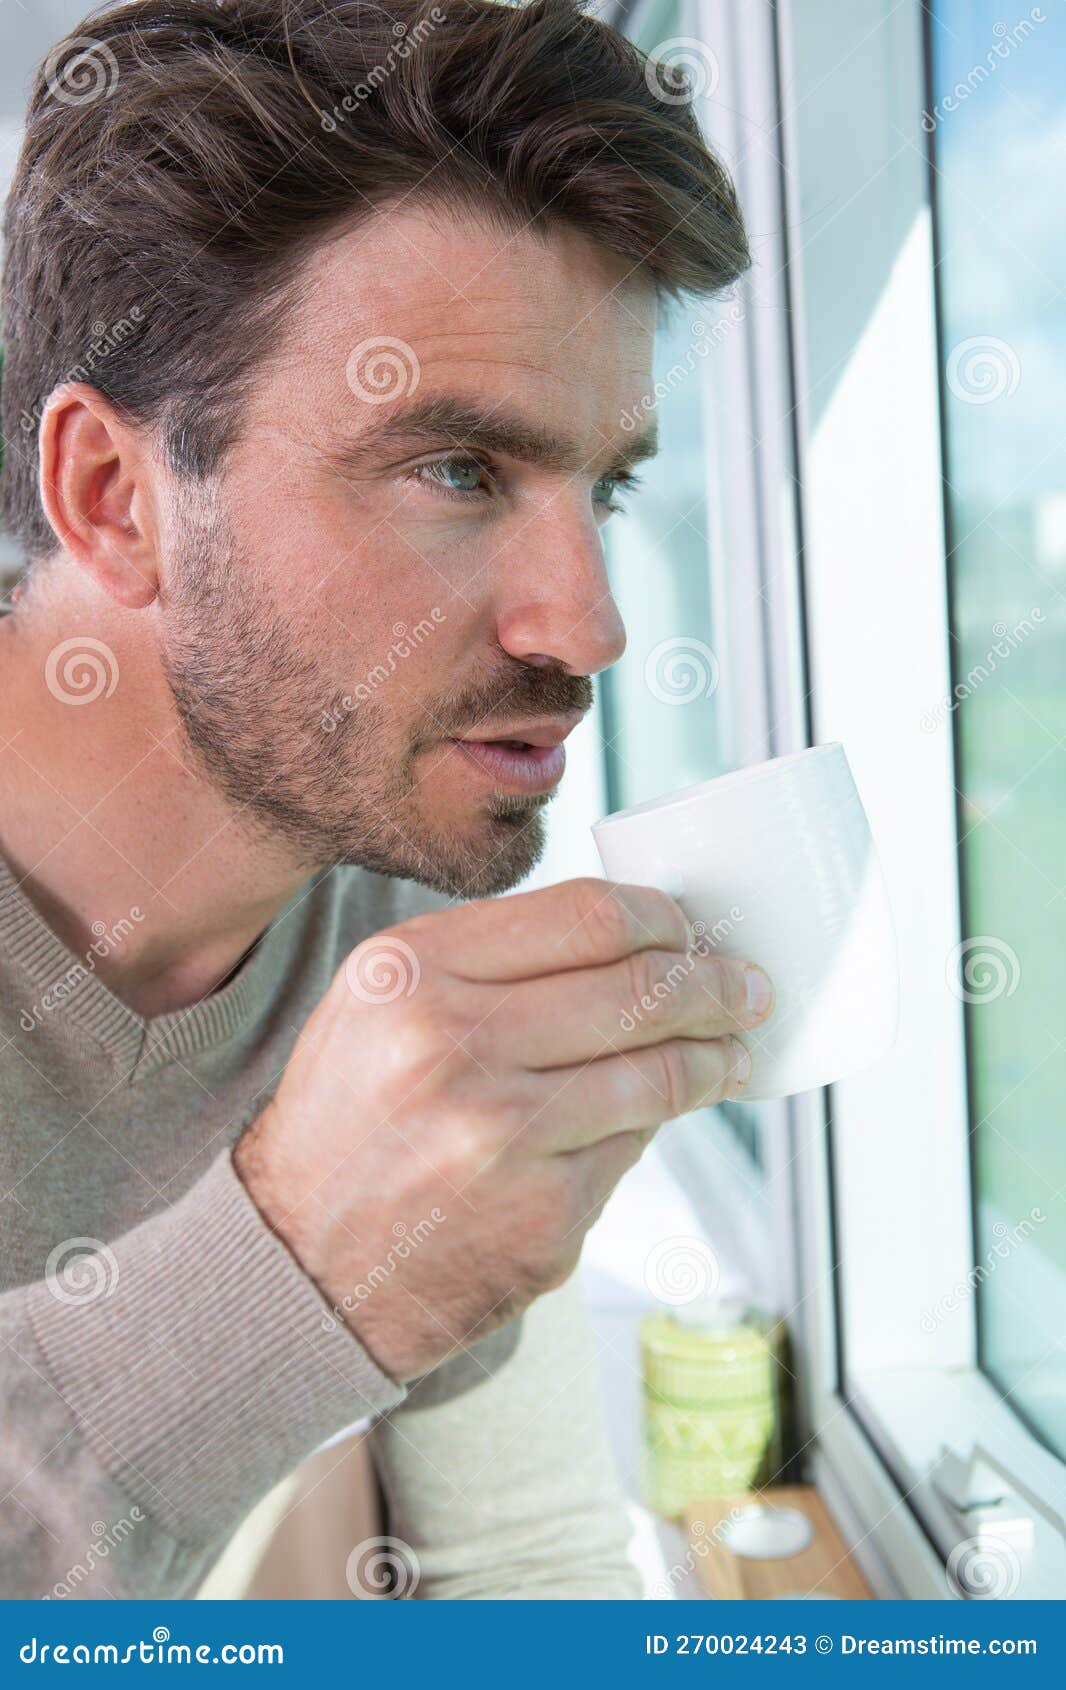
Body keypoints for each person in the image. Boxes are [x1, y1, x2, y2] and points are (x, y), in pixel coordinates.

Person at [0, 0, 772, 1599]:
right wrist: (290, 1279)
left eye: (604, 486)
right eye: (457, 471)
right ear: (112, 496)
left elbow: (522, 1557)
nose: (588, 625)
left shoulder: (412, 949)